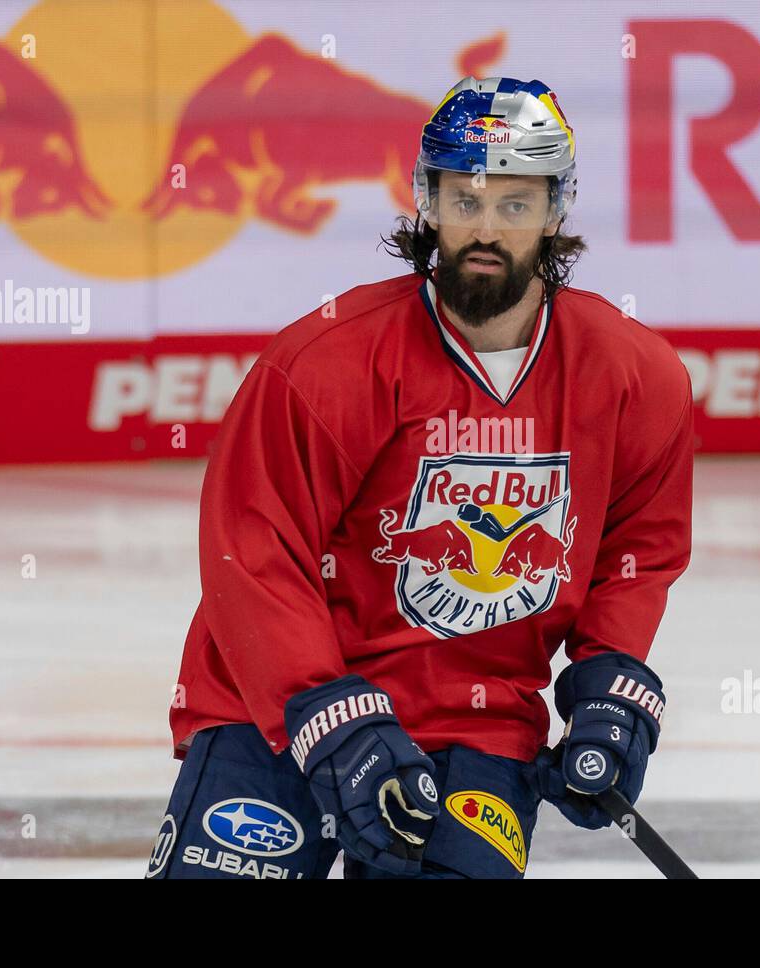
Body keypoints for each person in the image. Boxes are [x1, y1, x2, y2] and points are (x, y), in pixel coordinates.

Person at [146, 76, 693, 880]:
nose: (486, 227)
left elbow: (637, 550)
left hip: (475, 721)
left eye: (515, 204)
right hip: (281, 706)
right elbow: (252, 549)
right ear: (426, 201)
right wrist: (321, 705)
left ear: (555, 212)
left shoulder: (636, 376)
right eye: (464, 199)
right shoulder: (324, 363)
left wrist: (610, 679)